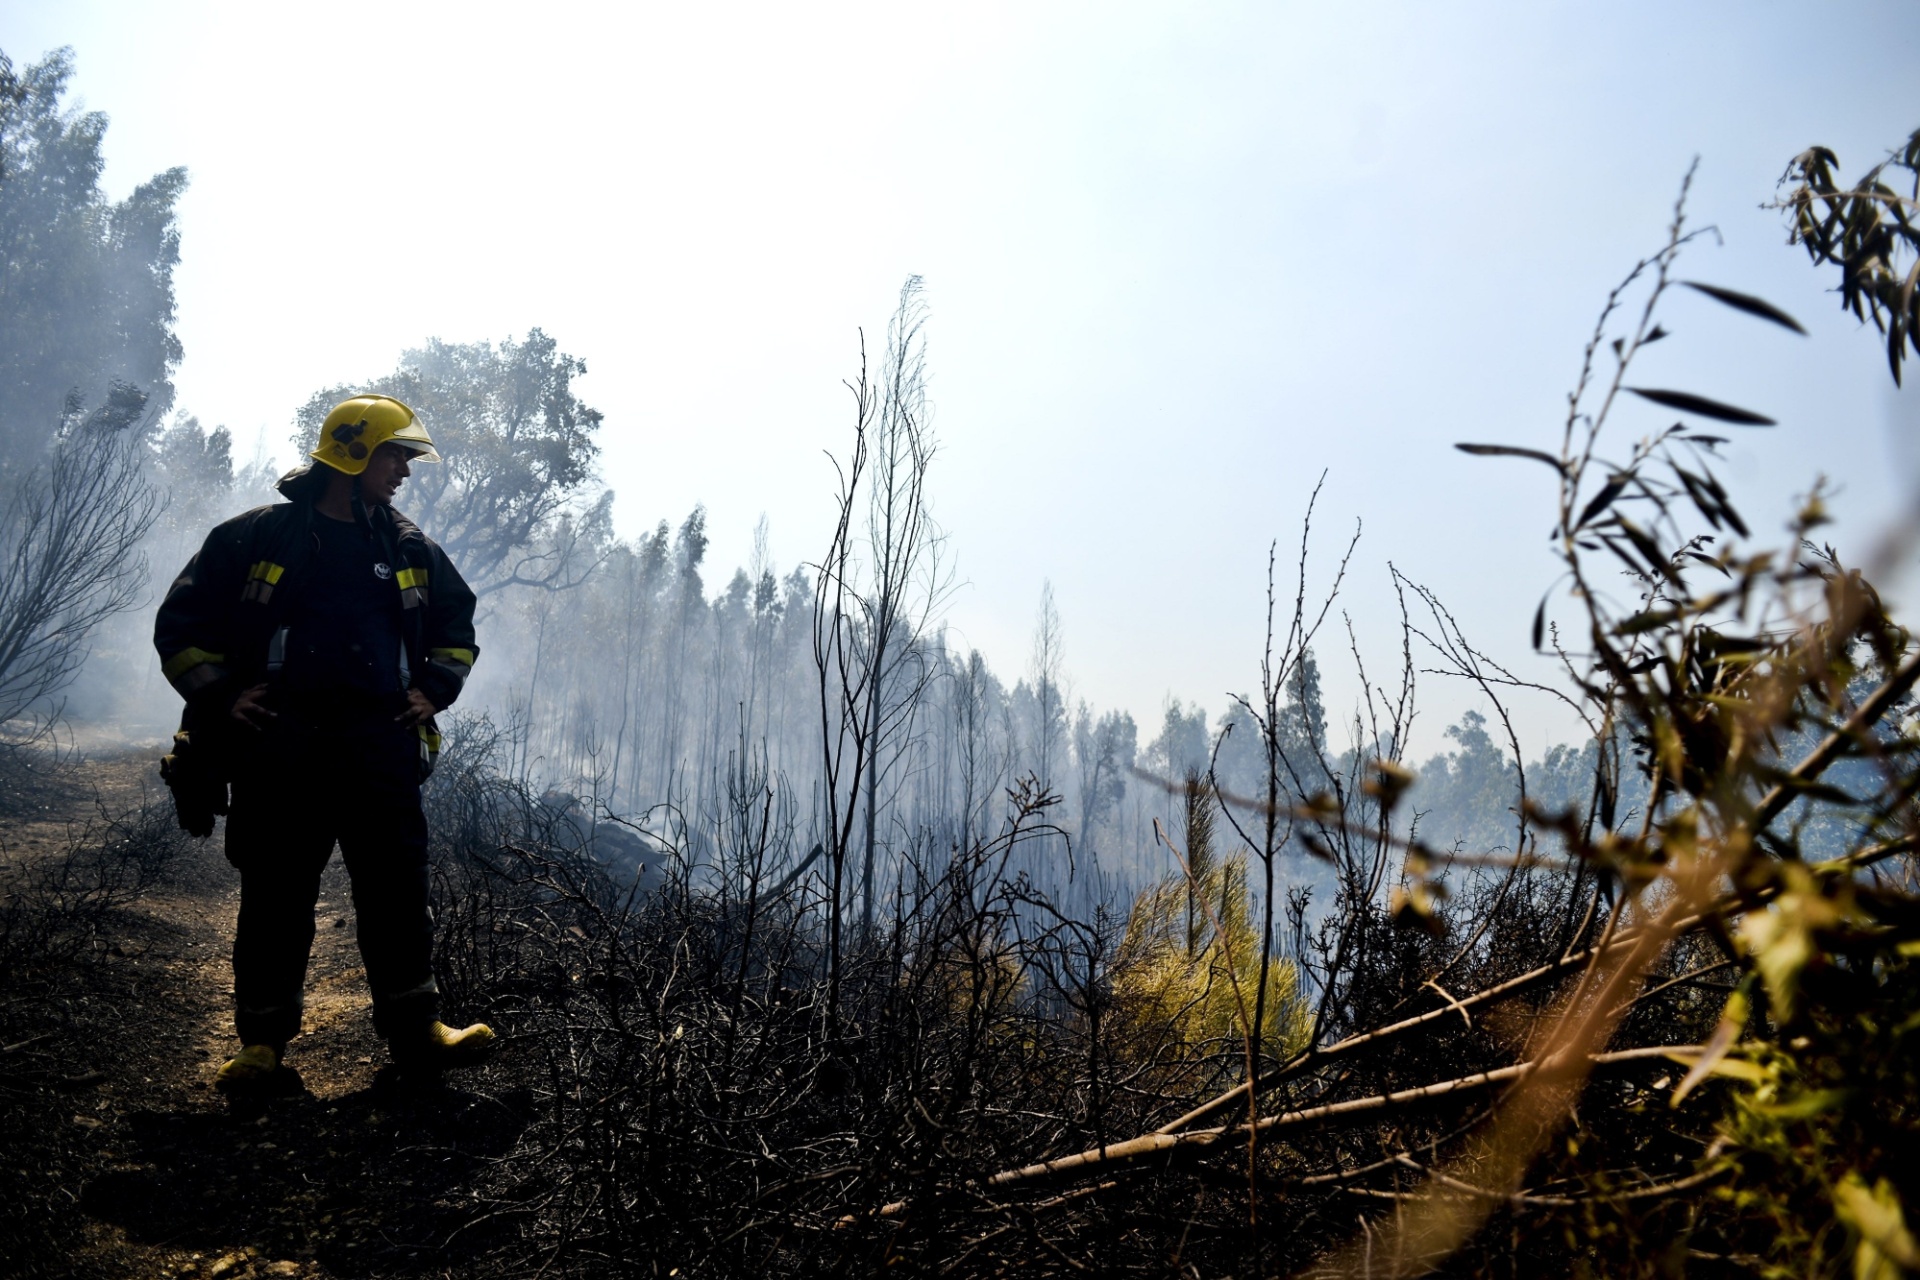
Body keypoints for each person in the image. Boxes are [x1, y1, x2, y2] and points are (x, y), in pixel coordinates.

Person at [154, 393, 494, 1090]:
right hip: (283, 746)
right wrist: (222, 696)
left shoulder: (410, 549)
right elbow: (180, 627)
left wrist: (435, 688)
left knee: (397, 891)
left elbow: (457, 632)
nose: (404, 468)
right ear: (353, 451)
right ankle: (263, 1045)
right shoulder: (255, 539)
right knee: (276, 894)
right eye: (395, 453)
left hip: (379, 746)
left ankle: (416, 1031)